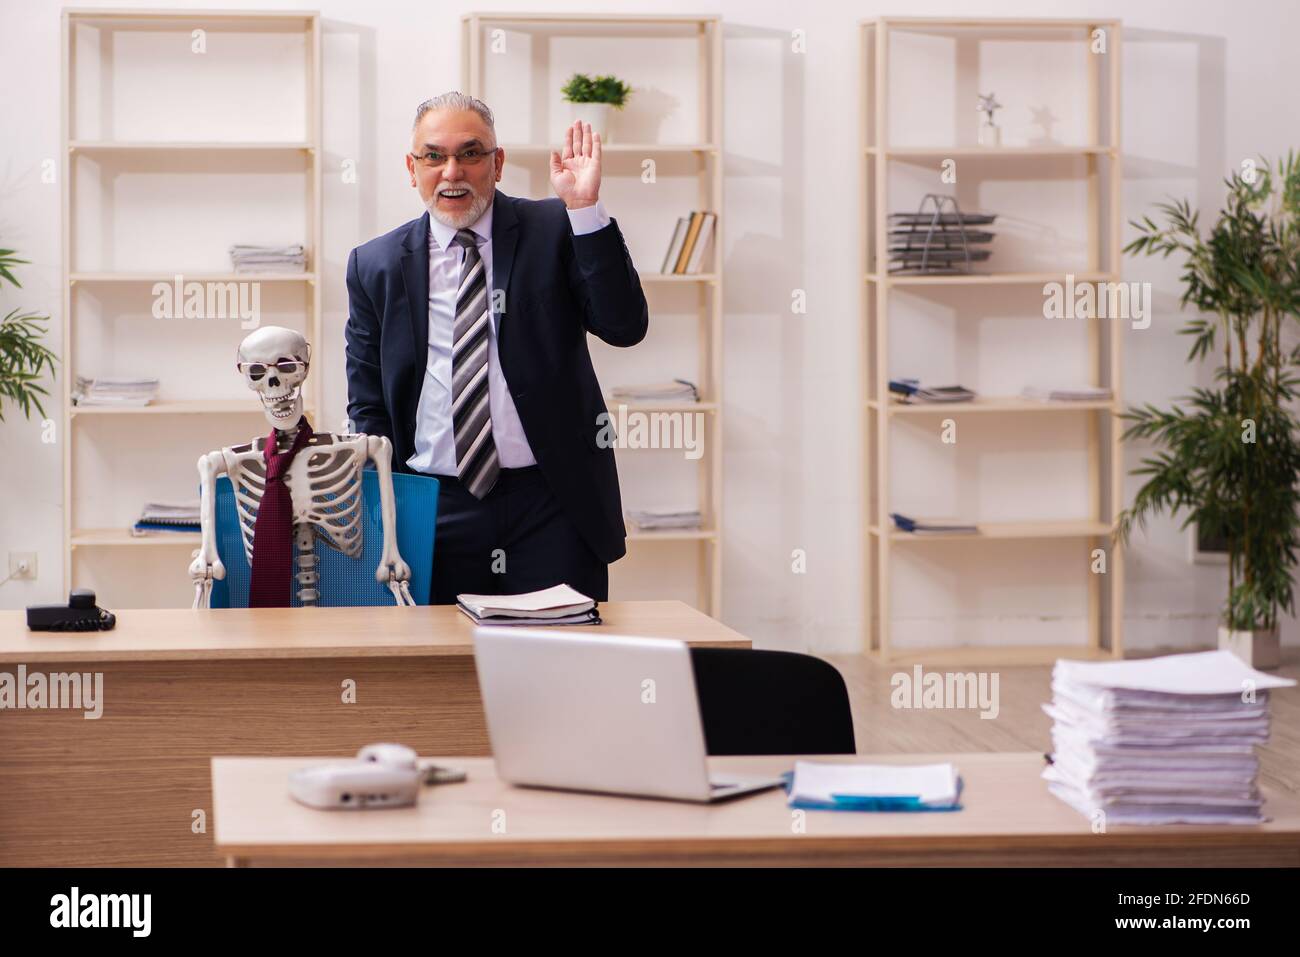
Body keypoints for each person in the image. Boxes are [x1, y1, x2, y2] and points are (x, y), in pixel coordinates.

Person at [345, 92, 647, 603]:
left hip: (550, 505)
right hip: (431, 506)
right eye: (434, 156)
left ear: (498, 163)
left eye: (471, 153)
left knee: (558, 666)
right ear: (411, 168)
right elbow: (368, 404)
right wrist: (380, 517)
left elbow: (624, 326)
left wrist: (585, 210)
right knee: (439, 672)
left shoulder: (554, 228)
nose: (451, 171)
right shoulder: (374, 264)